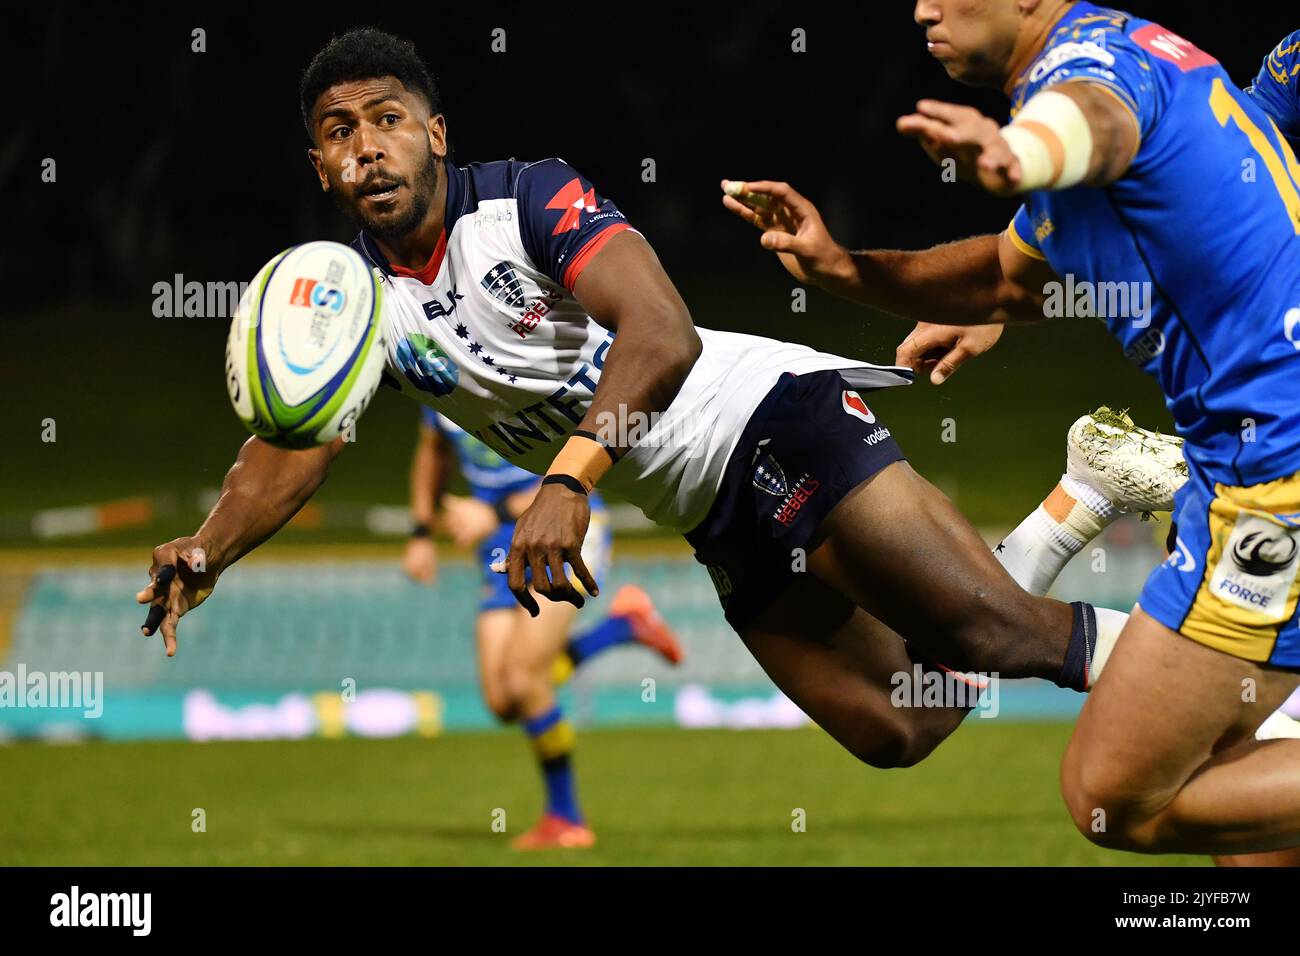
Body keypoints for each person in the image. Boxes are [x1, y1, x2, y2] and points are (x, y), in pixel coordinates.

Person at [138, 28, 1174, 793]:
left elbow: (662, 333)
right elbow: (295, 441)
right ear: (318, 166)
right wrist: (210, 548)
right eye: (337, 133)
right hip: (706, 509)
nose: (366, 147)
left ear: (435, 135)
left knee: (991, 631)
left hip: (764, 415)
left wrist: (567, 479)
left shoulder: (523, 197)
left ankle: (1259, 680)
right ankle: (1081, 492)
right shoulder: (356, 302)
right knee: (900, 721)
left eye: (386, 121)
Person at [722, 2, 1300, 856]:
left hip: (1272, 481)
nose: (921, 8)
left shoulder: (1089, 67)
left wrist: (1021, 149)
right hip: (1237, 468)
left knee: (1117, 792)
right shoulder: (1140, 68)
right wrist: (846, 268)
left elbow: (1093, 119)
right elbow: (1004, 274)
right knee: (1236, 797)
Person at [403, 407, 682, 849]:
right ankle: (623, 626)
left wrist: (490, 511)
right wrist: (420, 532)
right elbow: (431, 450)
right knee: (503, 700)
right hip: (499, 541)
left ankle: (566, 819)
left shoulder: (511, 369)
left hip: (561, 525)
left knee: (523, 677)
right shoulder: (433, 369)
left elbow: (565, 475)